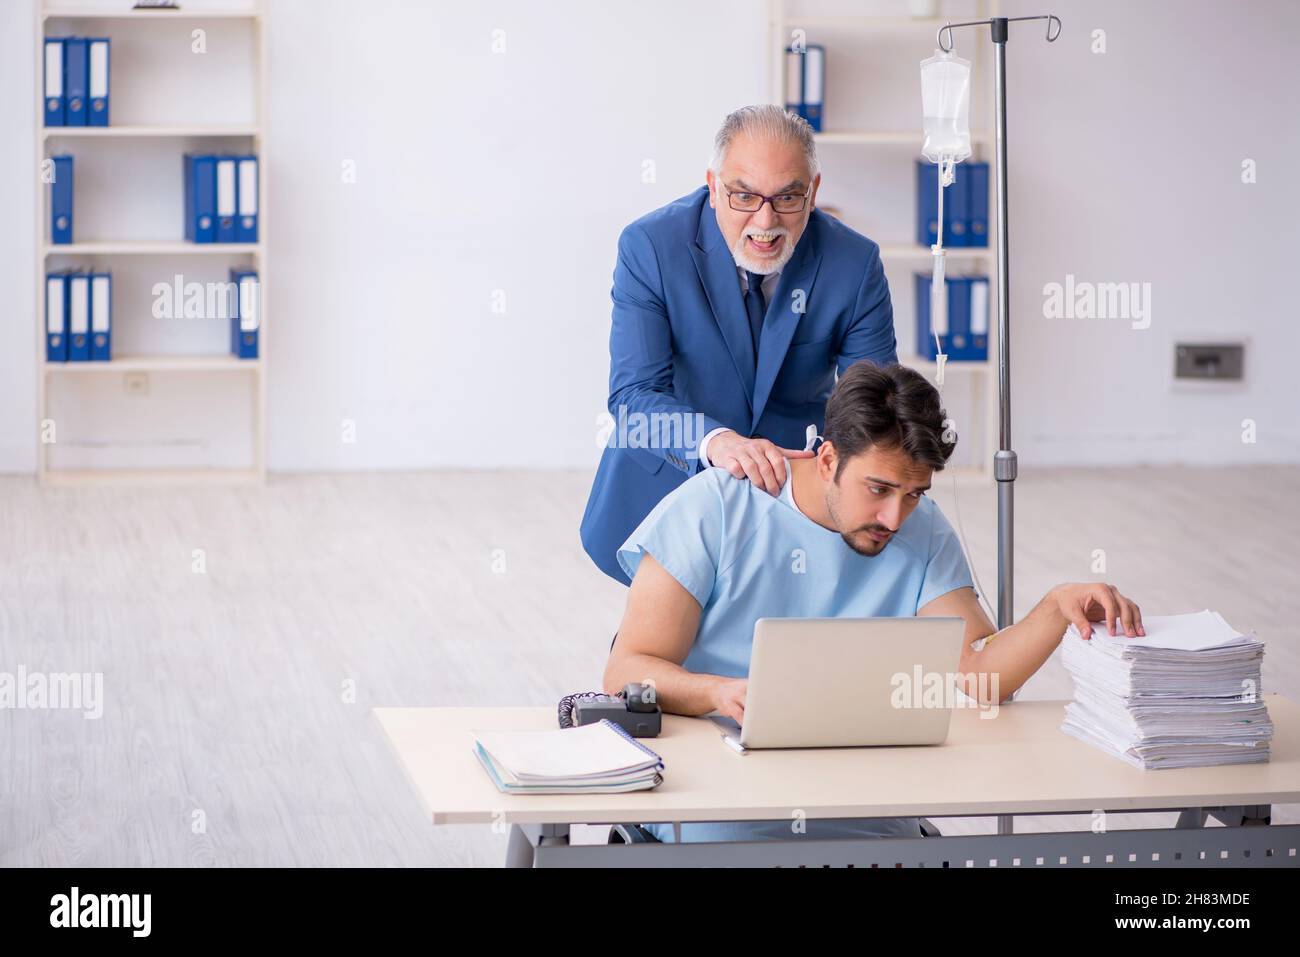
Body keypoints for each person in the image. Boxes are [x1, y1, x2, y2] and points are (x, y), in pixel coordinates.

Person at [604, 361, 1144, 843]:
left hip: (869, 814)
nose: (895, 518)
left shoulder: (922, 528)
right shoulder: (713, 510)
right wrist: (722, 693)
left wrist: (1053, 608)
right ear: (827, 459)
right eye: (879, 488)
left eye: (914, 494)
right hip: (721, 808)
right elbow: (626, 671)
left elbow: (979, 677)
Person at [581, 105, 898, 584]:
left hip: (791, 492)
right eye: (744, 196)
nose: (765, 221)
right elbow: (632, 400)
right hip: (668, 486)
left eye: (787, 197)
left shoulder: (855, 263)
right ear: (713, 187)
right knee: (666, 649)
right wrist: (718, 442)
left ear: (813, 193)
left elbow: (873, 405)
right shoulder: (650, 246)